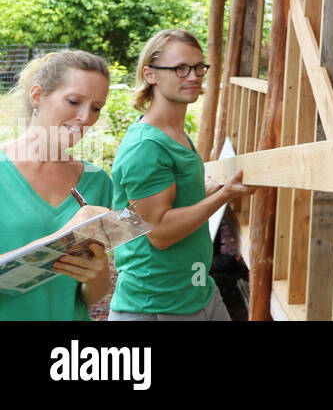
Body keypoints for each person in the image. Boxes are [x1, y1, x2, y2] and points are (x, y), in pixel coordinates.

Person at [108, 29, 251, 321]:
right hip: (158, 303)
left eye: (198, 67)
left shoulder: (174, 132)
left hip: (197, 289)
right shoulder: (146, 147)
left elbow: (170, 199)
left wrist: (200, 191)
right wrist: (224, 195)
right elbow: (160, 233)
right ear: (150, 74)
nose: (194, 76)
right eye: (180, 68)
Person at [0, 50, 114, 321]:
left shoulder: (98, 181)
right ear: (37, 96)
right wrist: (61, 237)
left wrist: (97, 274)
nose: (86, 117)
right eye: (74, 101)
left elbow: (89, 296)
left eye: (96, 107)